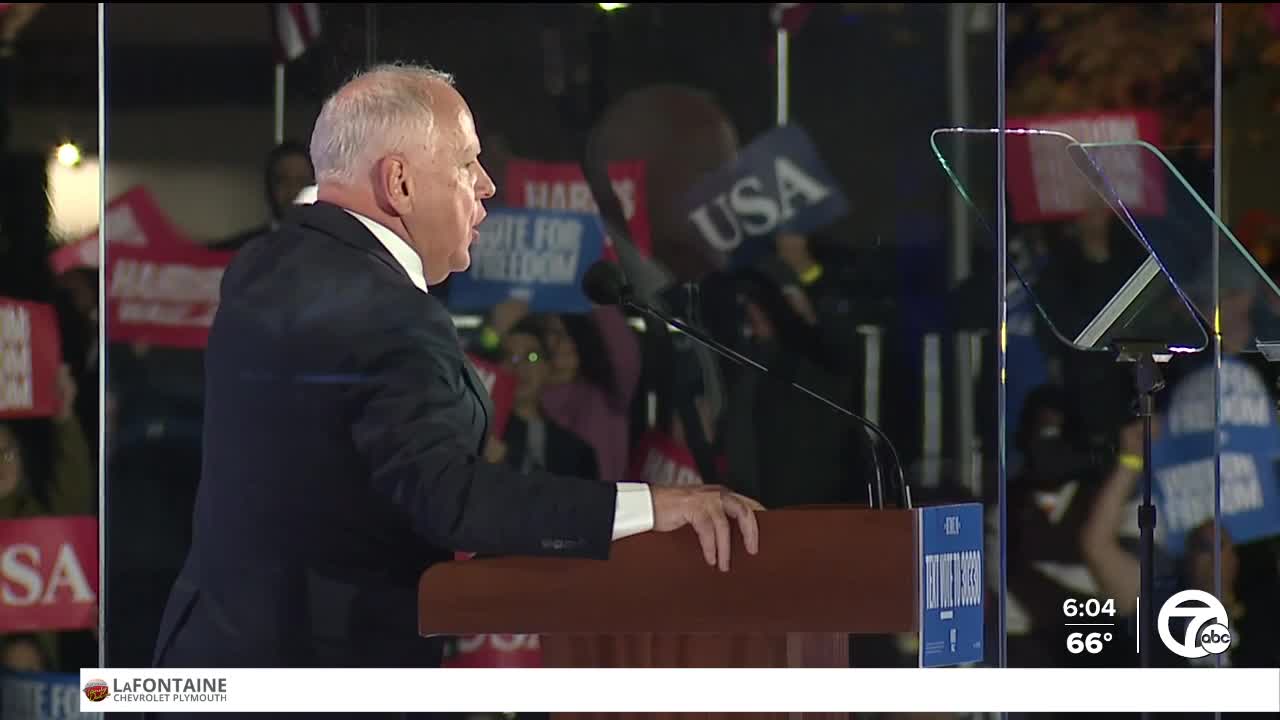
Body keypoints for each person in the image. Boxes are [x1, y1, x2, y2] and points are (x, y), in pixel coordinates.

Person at [151, 63, 763, 675]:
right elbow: (447, 497)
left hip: (208, 658)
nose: (488, 185)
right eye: (466, 164)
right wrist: (655, 508)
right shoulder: (387, 313)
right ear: (400, 183)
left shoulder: (263, 268)